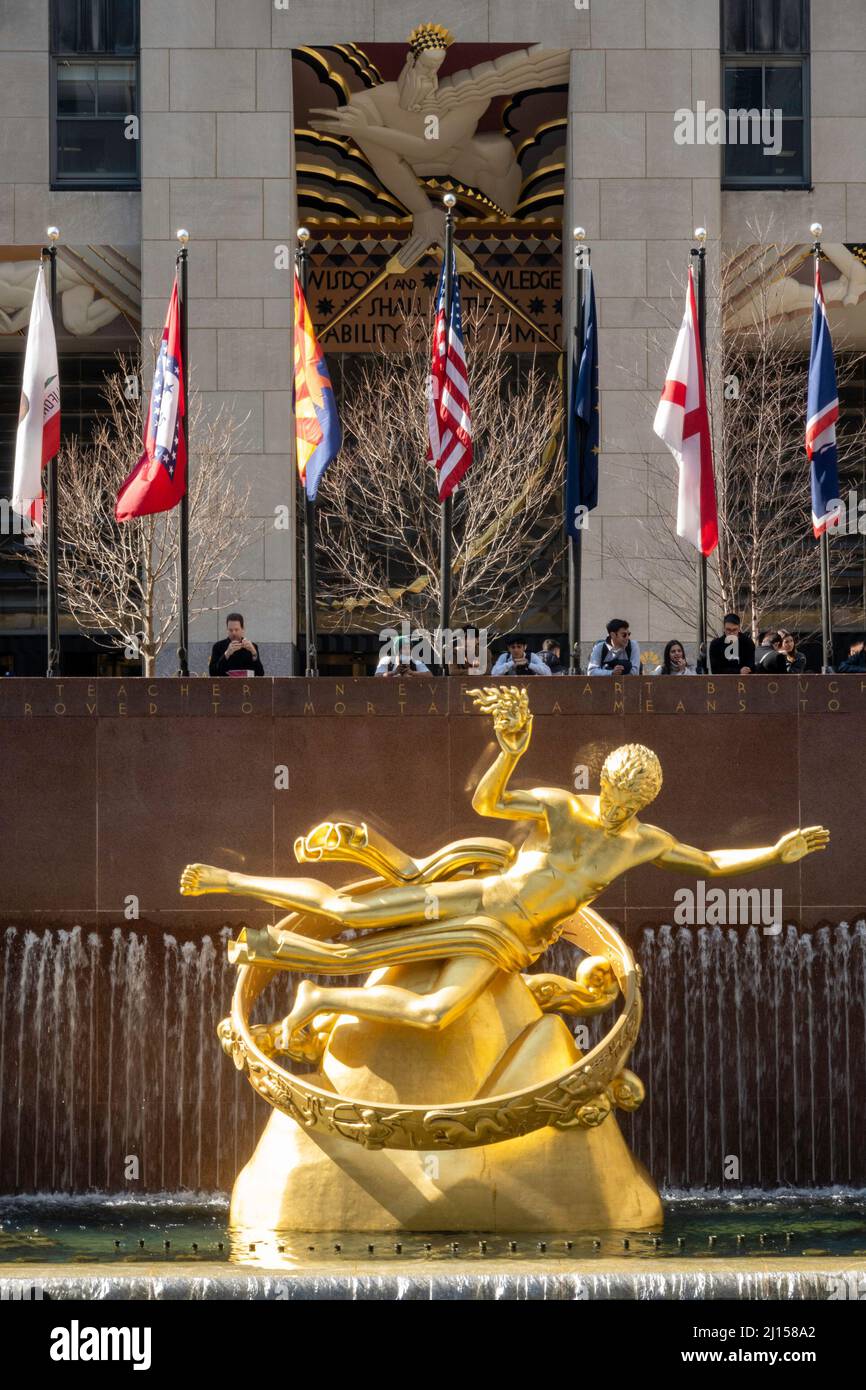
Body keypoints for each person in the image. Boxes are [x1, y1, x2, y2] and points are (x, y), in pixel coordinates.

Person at [209, 612, 264, 677]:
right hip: (225, 686)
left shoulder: (252, 646)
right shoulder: (218, 646)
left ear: (242, 629)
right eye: (230, 630)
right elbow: (213, 673)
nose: (233, 633)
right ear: (227, 629)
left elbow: (260, 673)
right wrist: (227, 654)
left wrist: (254, 653)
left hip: (247, 685)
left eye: (236, 629)